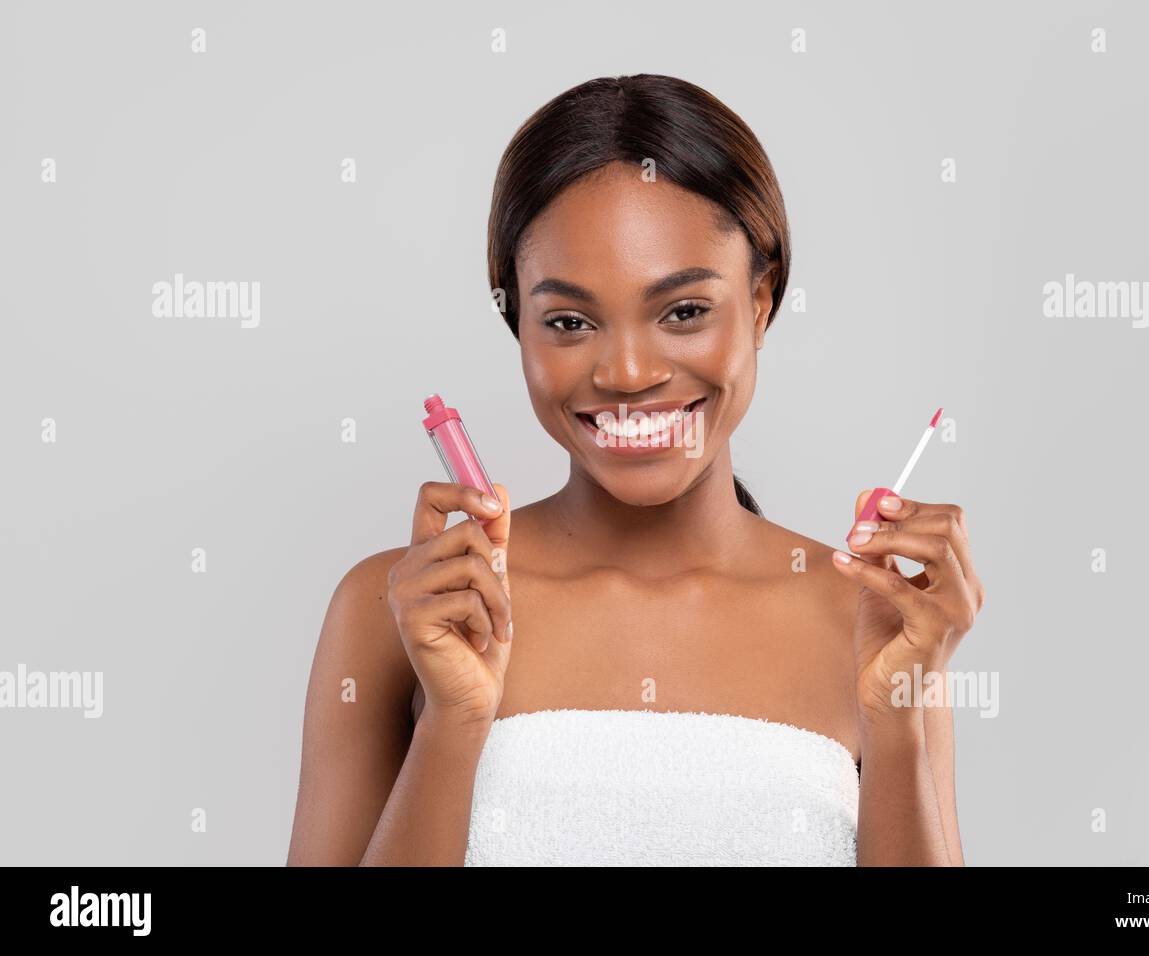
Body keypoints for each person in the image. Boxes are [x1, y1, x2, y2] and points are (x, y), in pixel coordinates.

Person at [287, 74, 985, 866]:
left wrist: (897, 718)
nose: (625, 372)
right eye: (570, 321)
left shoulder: (881, 619)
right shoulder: (401, 610)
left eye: (683, 311)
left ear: (760, 303)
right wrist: (453, 723)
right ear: (518, 324)